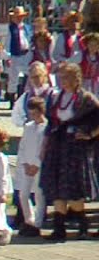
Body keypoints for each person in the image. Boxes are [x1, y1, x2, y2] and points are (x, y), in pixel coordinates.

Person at [40, 62, 99, 242]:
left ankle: (82, 225)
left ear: (76, 79)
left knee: (73, 189)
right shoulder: (56, 97)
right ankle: (59, 229)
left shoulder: (85, 99)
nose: (63, 81)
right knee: (57, 187)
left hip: (74, 149)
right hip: (57, 147)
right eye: (61, 77)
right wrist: (45, 145)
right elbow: (51, 124)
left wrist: (89, 134)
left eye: (67, 77)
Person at [14, 97, 48, 238]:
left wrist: (36, 164)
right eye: (31, 114)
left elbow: (44, 148)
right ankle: (29, 220)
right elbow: (23, 146)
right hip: (27, 165)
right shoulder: (28, 127)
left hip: (39, 166)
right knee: (23, 194)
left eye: (35, 113)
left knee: (39, 195)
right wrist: (25, 163)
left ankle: (38, 223)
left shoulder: (46, 127)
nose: (33, 117)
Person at [11, 61, 54, 127]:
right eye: (32, 77)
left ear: (44, 75)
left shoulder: (53, 95)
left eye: (37, 76)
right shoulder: (26, 96)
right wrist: (25, 123)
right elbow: (15, 115)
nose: (34, 80)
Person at [5, 6, 32, 96]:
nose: (19, 18)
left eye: (21, 16)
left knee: (26, 75)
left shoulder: (27, 28)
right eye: (17, 16)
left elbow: (30, 40)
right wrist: (8, 57)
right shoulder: (10, 28)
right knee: (13, 78)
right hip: (15, 55)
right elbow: (7, 43)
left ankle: (22, 95)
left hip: (26, 55)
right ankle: (12, 100)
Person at [79, 32, 99, 97]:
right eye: (91, 45)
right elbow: (69, 63)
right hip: (83, 83)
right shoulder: (81, 55)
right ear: (87, 45)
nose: (93, 47)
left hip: (95, 84)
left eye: (96, 45)